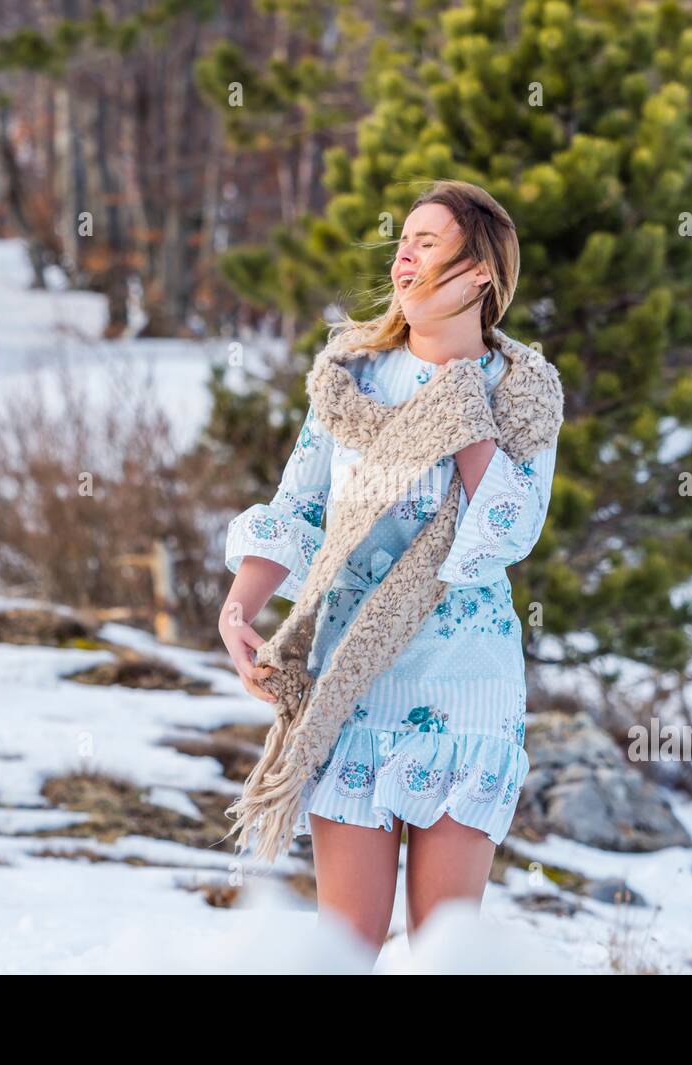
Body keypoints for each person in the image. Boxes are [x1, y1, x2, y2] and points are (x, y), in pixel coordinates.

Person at [217, 178, 557, 959]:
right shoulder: (352, 378)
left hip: (466, 686)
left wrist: (462, 405)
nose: (404, 254)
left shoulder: (523, 391)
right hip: (353, 677)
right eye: (403, 239)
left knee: (442, 946)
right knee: (350, 939)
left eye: (428, 241)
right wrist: (242, 608)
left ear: (480, 275)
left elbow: (507, 529)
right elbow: (301, 506)